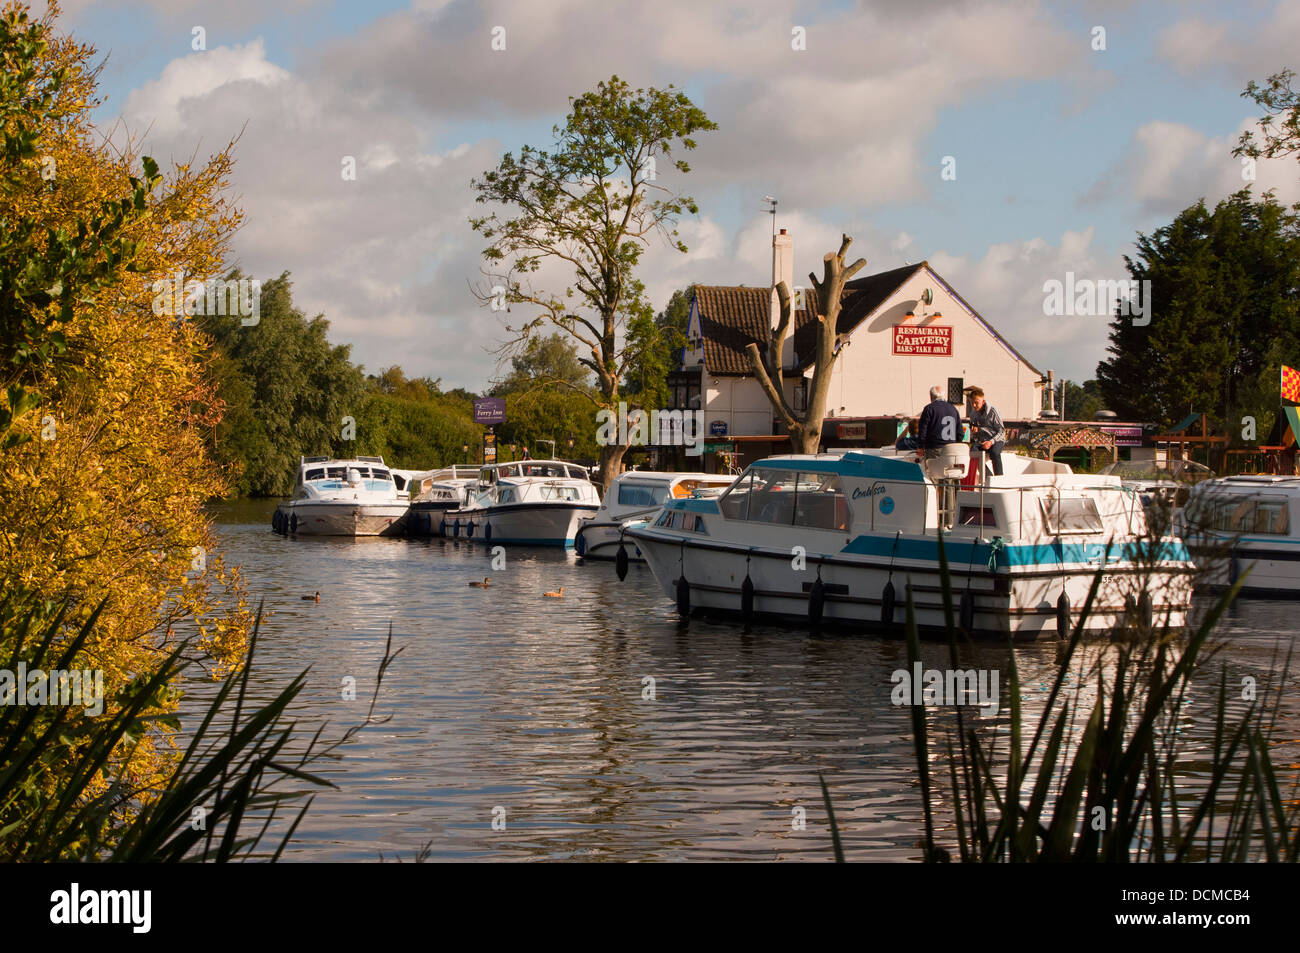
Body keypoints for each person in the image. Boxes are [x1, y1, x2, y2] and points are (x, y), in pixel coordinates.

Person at [966, 386, 1006, 477]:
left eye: (976, 403)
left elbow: (1002, 431)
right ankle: (988, 476)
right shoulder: (973, 414)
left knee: (995, 453)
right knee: (973, 452)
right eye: (972, 403)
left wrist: (991, 442)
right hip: (982, 440)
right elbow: (974, 437)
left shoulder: (992, 411)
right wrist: (975, 433)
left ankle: (999, 477)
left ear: (983, 402)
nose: (974, 406)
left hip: (996, 439)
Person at [916, 386, 963, 462]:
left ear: (931, 396)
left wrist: (921, 446)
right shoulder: (953, 409)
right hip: (951, 451)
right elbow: (960, 433)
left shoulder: (929, 409)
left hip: (934, 449)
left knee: (932, 472)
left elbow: (923, 431)